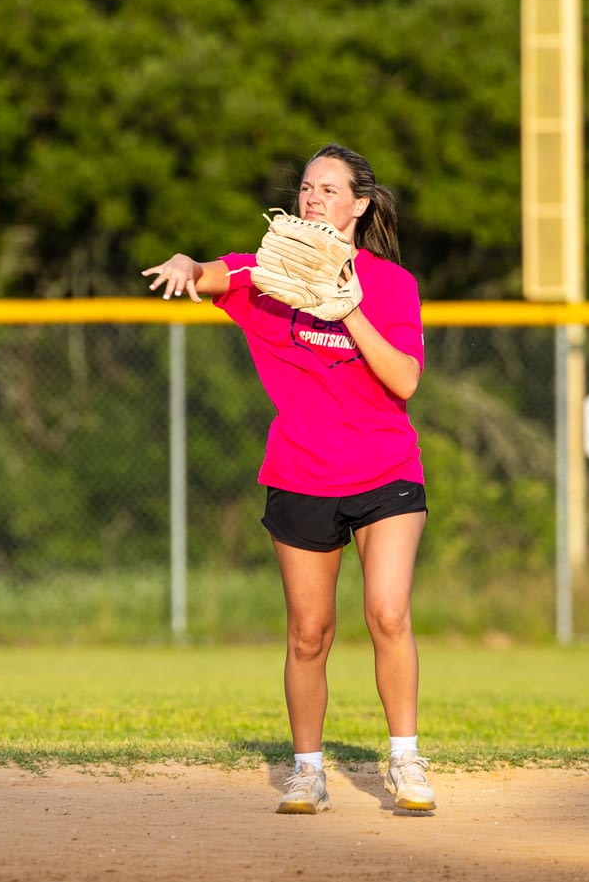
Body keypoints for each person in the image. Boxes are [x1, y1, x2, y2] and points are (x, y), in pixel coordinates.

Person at [143, 144, 434, 816]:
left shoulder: (392, 285)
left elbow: (406, 380)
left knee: (388, 611)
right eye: (306, 188)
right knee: (309, 630)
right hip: (303, 470)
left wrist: (348, 306)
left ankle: (405, 758)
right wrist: (188, 264)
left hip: (386, 467)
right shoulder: (268, 277)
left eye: (329, 190)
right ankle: (308, 770)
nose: (312, 199)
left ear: (359, 204)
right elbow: (212, 272)